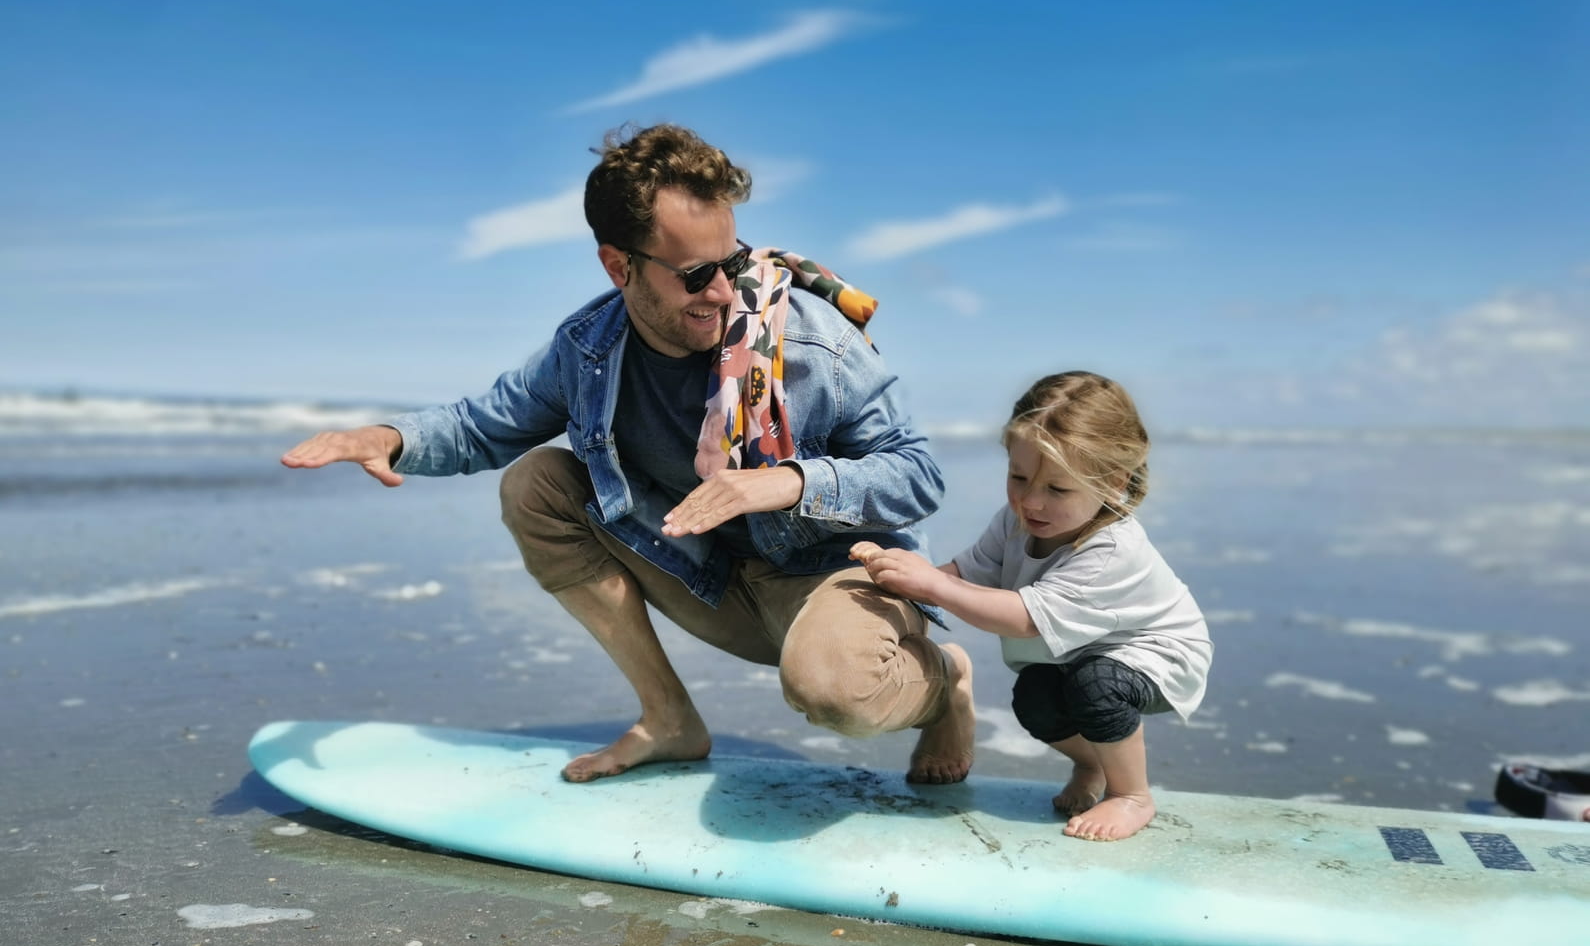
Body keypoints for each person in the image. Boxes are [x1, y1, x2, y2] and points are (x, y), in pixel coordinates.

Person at [281, 123, 975, 786]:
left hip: (834, 574)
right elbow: (480, 426)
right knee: (537, 484)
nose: (724, 291)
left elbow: (918, 474)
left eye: (734, 262)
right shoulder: (588, 348)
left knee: (837, 694)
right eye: (696, 273)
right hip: (710, 575)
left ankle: (946, 684)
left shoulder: (813, 342)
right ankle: (669, 718)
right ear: (619, 266)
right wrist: (390, 438)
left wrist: (790, 482)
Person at [850, 371, 1211, 841]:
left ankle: (1132, 795)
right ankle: (1092, 764)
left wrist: (933, 587)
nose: (1031, 501)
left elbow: (1024, 620)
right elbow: (967, 573)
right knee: (1035, 698)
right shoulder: (1016, 520)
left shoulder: (1112, 549)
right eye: (1018, 477)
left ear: (1112, 483)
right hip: (1084, 650)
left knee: (1097, 686)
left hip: (1159, 652)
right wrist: (902, 575)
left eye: (1057, 489)